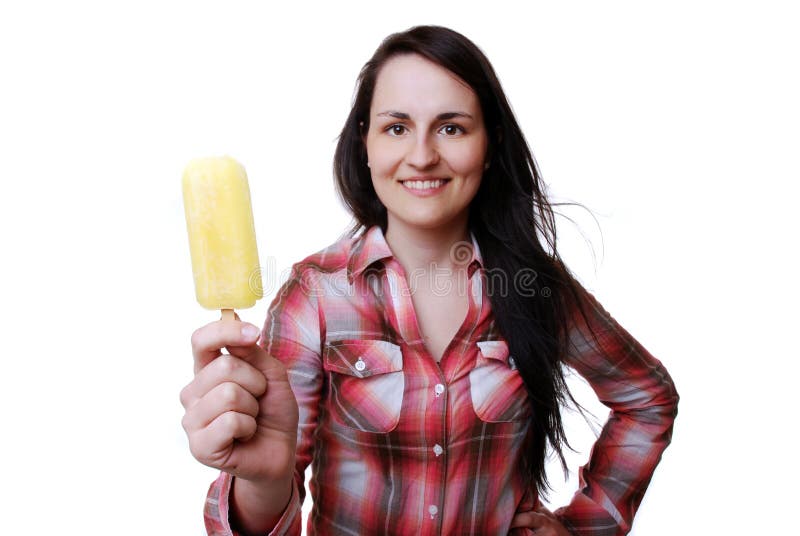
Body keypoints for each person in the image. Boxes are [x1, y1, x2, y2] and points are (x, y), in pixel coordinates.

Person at [180, 25, 679, 536]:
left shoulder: (535, 289)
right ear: (365, 143)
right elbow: (267, 494)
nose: (421, 156)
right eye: (396, 127)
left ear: (490, 144)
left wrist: (583, 528)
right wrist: (262, 483)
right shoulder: (315, 296)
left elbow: (648, 398)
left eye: (451, 128)